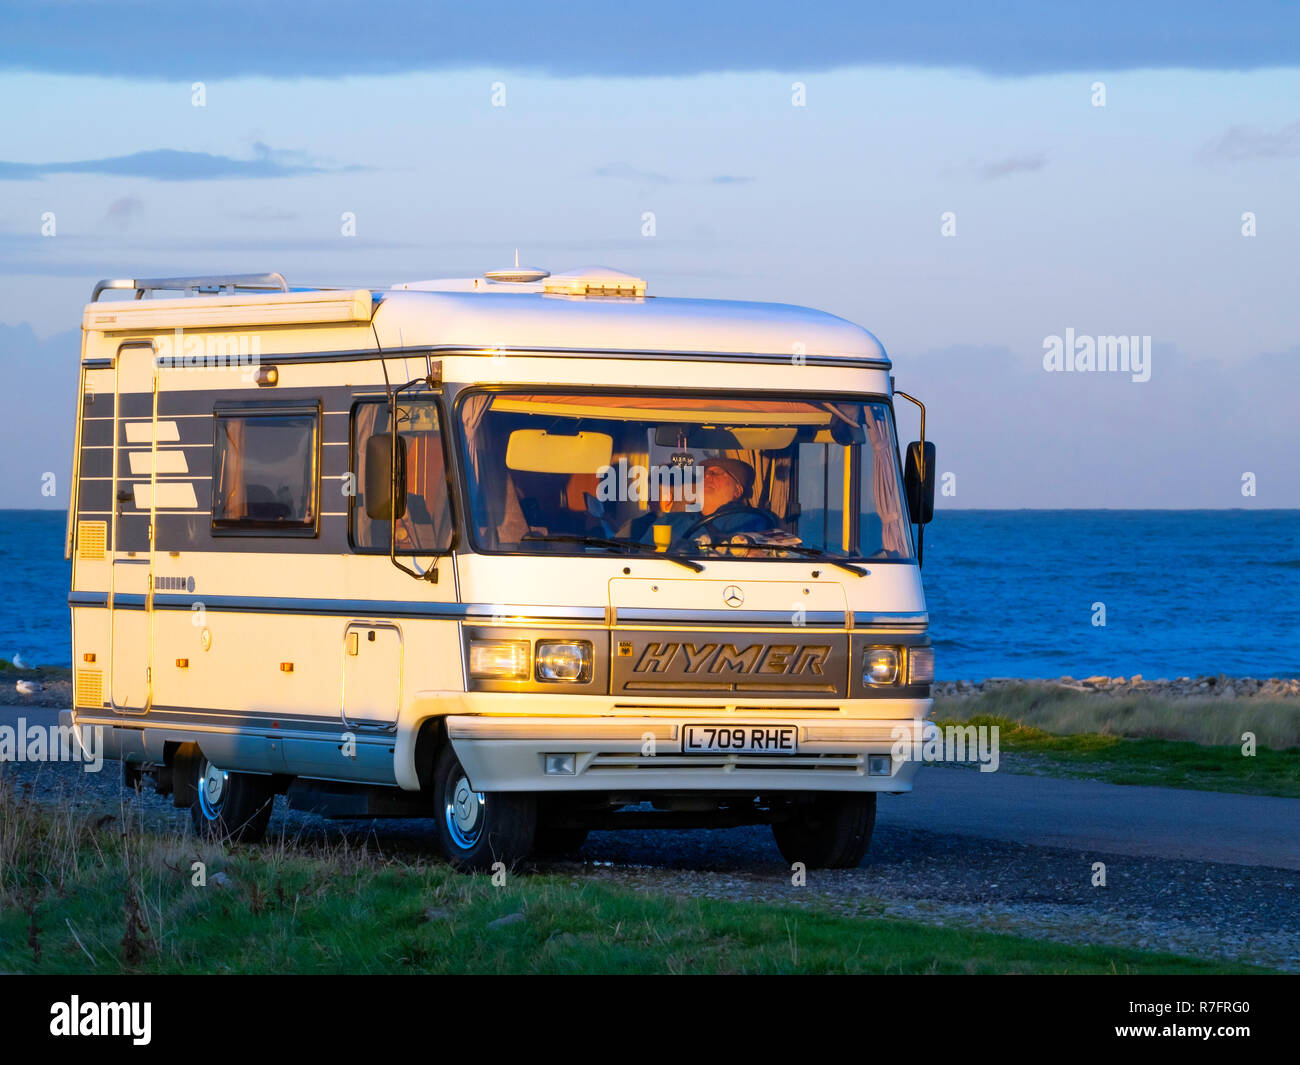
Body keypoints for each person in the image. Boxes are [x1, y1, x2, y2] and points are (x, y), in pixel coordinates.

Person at [621, 456, 778, 547]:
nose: (708, 477)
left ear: (738, 491)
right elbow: (639, 559)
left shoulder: (754, 520)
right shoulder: (669, 521)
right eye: (706, 474)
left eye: (716, 473)